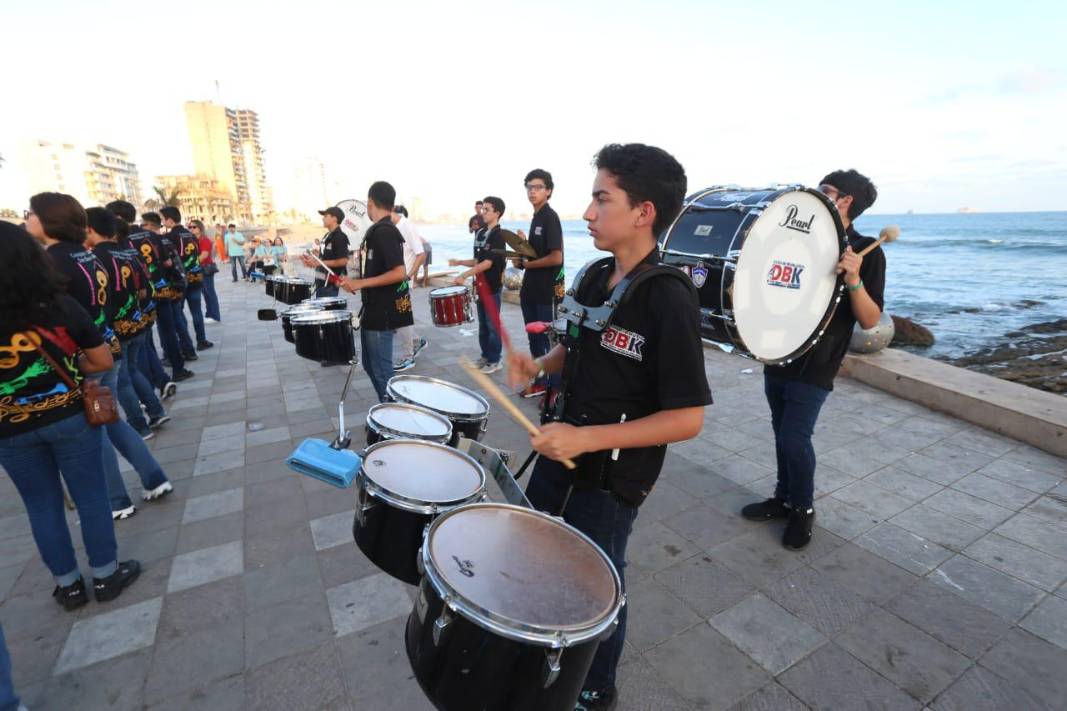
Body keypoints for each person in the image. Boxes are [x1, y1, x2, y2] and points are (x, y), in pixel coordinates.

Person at [506, 144, 711, 710]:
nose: (589, 212)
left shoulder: (668, 296)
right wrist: (539, 367)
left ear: (643, 212)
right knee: (542, 559)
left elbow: (687, 418)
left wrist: (587, 438)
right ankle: (545, 653)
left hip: (611, 480)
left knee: (598, 586)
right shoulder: (596, 275)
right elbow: (575, 351)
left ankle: (594, 687)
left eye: (602, 198)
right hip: (558, 452)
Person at [0, 219, 141, 610]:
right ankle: (107, 575)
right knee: (92, 496)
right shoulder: (57, 305)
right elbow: (100, 359)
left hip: (8, 429)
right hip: (68, 417)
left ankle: (69, 587)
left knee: (41, 505)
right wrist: (64, 363)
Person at [741, 169, 885, 550]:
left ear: (846, 200)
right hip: (780, 351)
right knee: (781, 431)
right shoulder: (800, 241)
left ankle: (802, 509)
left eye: (826, 191)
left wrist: (853, 277)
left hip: (818, 361)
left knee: (794, 436)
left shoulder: (867, 249)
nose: (817, 196)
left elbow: (870, 320)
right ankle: (782, 497)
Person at [29, 194, 174, 519]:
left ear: (48, 220)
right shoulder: (89, 256)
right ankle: (154, 477)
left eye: (31, 214)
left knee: (94, 428)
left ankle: (117, 501)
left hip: (82, 358)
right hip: (107, 343)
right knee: (110, 419)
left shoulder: (51, 262)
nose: (27, 220)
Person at [86, 207, 170, 438]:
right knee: (132, 370)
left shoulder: (96, 258)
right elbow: (144, 290)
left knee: (122, 380)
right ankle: (156, 410)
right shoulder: (129, 253)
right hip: (137, 322)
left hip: (115, 330)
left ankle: (139, 425)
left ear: (90, 229)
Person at [336, 181, 412, 401]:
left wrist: (360, 284)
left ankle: (397, 417)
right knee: (371, 366)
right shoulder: (378, 231)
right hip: (373, 310)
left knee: (382, 371)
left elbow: (399, 273)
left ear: (370, 203)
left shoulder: (385, 232)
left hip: (383, 314)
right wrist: (355, 281)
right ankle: (391, 411)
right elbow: (379, 270)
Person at [106, 201, 178, 400]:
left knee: (138, 354)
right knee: (149, 341)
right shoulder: (150, 238)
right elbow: (166, 262)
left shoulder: (119, 244)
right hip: (152, 293)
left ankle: (150, 396)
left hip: (132, 306)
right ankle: (165, 378)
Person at [514, 168, 564, 399]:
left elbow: (557, 257)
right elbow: (533, 257)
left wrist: (527, 265)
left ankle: (555, 389)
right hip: (531, 289)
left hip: (547, 291)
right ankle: (541, 381)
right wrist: (521, 251)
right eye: (529, 187)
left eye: (538, 187)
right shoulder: (536, 217)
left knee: (550, 341)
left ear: (549, 191)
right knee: (534, 338)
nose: (533, 191)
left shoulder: (549, 217)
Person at [449, 196, 506, 374]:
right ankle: (486, 356)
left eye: (487, 209)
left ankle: (495, 360)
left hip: (492, 287)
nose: (482, 212)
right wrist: (459, 262)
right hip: (480, 287)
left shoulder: (498, 235)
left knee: (492, 325)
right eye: (482, 209)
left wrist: (464, 275)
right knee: (483, 325)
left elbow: (488, 263)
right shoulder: (482, 233)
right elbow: (477, 260)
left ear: (497, 213)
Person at [137, 213, 195, 381]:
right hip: (164, 289)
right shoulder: (160, 239)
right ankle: (178, 366)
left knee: (147, 337)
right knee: (170, 326)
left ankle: (156, 375)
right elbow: (170, 263)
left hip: (143, 295)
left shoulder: (126, 242)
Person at [161, 207, 212, 351]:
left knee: (178, 313)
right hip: (196, 276)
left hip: (179, 280)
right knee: (196, 311)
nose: (163, 222)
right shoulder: (191, 236)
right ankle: (201, 340)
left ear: (170, 220)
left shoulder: (168, 238)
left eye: (164, 219)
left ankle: (186, 345)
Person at [391, 204, 427, 371]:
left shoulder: (407, 226)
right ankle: (416, 341)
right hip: (393, 281)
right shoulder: (392, 227)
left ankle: (408, 356)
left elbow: (421, 254)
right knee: (396, 319)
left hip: (403, 282)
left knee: (401, 317)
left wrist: (411, 274)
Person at [303, 206, 350, 297]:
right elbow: (324, 257)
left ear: (334, 219)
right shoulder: (327, 236)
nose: (323, 218)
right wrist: (312, 260)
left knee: (327, 311)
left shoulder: (340, 237)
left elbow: (343, 261)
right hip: (321, 281)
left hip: (330, 285)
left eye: (325, 216)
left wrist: (319, 263)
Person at [191, 219, 221, 322]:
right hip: (200, 268)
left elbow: (204, 255)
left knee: (209, 292)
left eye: (194, 227)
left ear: (200, 228)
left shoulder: (204, 240)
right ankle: (209, 314)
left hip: (205, 268)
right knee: (205, 292)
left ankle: (215, 315)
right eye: (189, 227)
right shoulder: (195, 240)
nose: (191, 229)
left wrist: (191, 264)